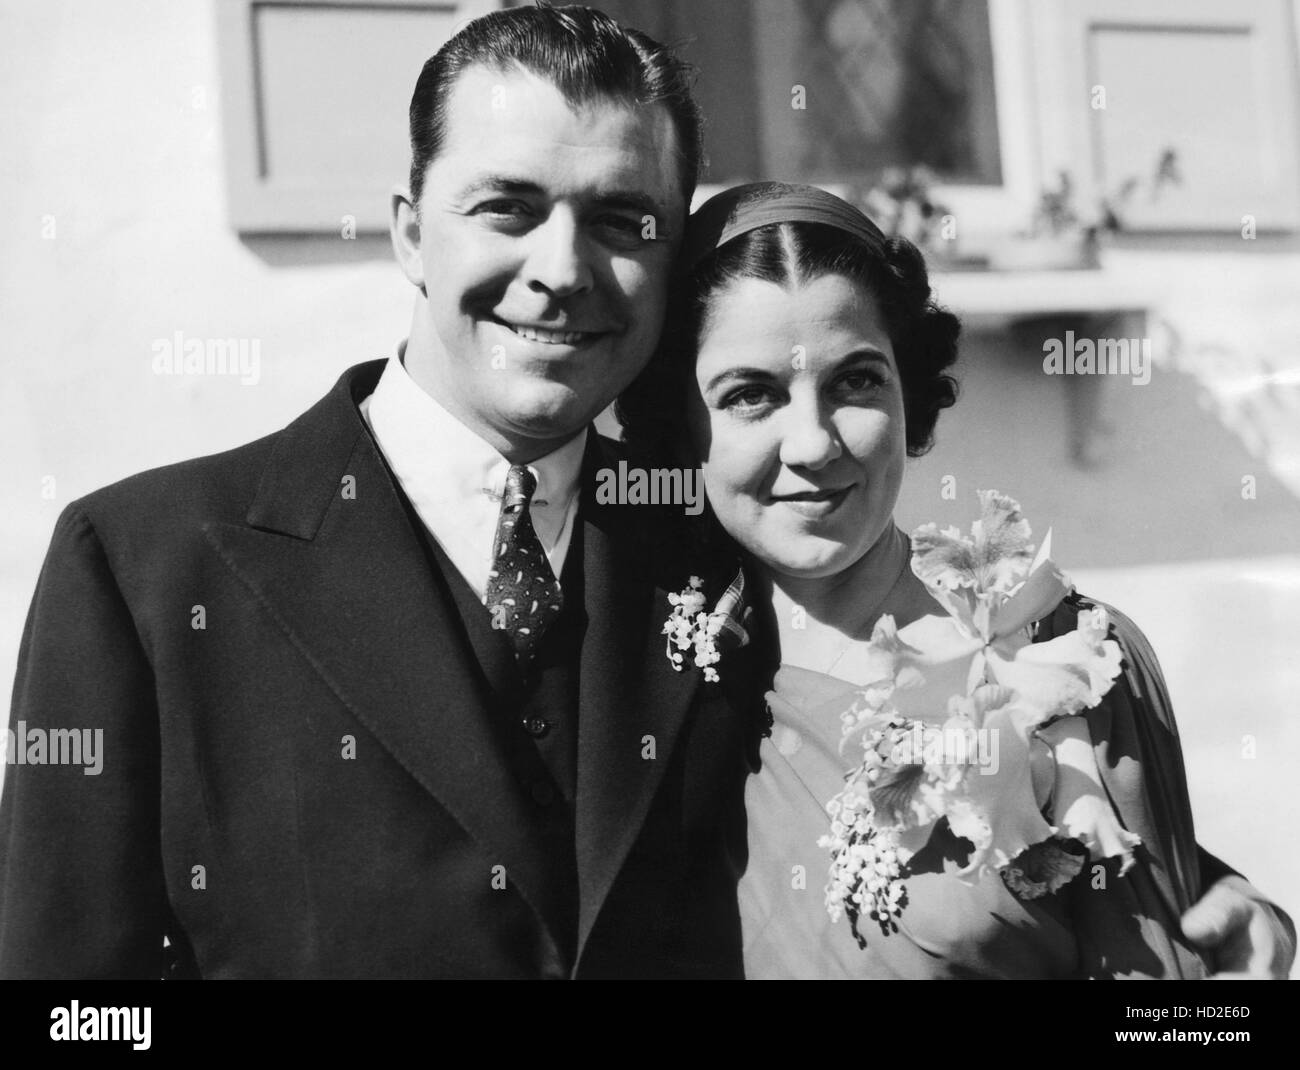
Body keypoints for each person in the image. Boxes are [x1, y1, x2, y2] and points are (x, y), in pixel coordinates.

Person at [0, 5, 768, 979]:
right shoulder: (141, 568)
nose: (562, 271)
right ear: (410, 233)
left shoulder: (719, 552)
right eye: (508, 208)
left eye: (622, 221)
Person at [618, 181, 1296, 978]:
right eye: (750, 395)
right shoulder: (640, 657)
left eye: (855, 381)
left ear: (910, 389)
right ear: (682, 423)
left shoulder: (1064, 660)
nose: (812, 443)